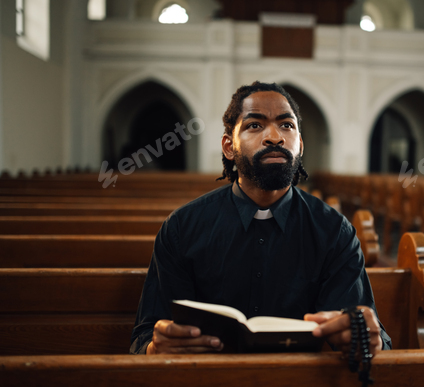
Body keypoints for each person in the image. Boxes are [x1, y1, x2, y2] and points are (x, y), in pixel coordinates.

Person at [130, 81, 392, 355]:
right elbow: (146, 335)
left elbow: (366, 336)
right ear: (229, 146)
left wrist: (366, 339)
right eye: (255, 125)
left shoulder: (334, 232)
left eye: (286, 125)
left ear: (299, 145)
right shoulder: (182, 229)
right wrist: (156, 346)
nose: (275, 137)